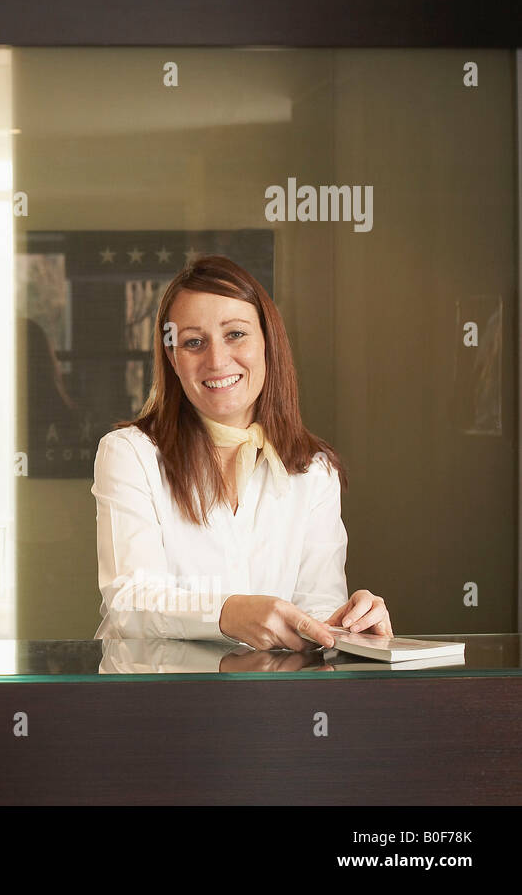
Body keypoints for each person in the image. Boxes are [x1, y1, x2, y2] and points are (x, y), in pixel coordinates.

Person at [92, 254, 391, 651]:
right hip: (156, 702)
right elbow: (130, 604)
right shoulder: (130, 454)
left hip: (267, 703)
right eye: (193, 342)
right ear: (173, 358)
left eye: (235, 334)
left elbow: (317, 609)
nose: (216, 360)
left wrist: (349, 624)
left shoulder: (316, 471)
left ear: (268, 342)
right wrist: (227, 613)